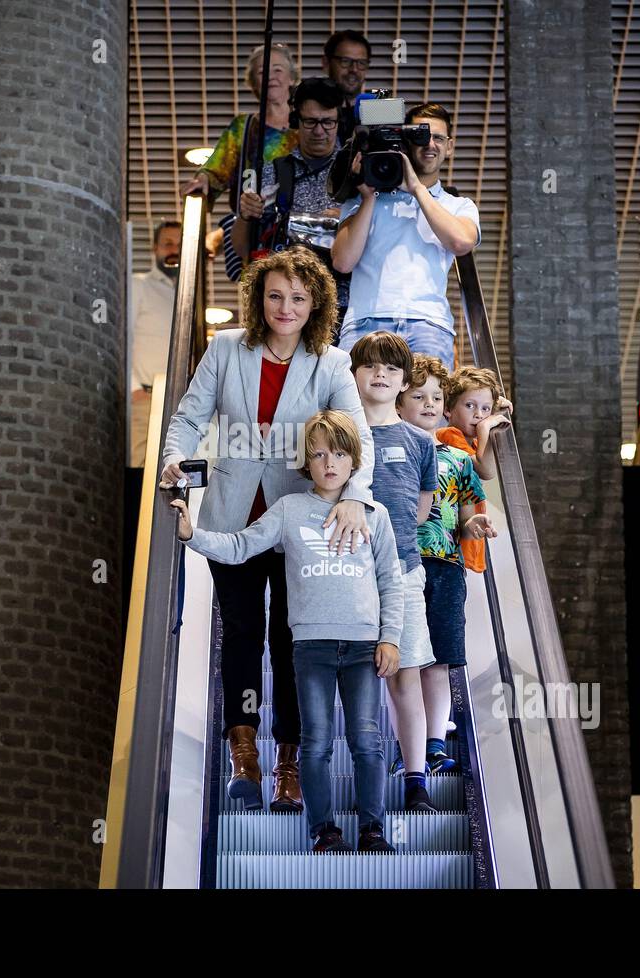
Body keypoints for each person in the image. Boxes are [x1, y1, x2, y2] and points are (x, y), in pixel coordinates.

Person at [159, 248, 375, 814]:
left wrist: (353, 497)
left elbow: (361, 440)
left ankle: (289, 764)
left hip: (302, 522)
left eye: (298, 298)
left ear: (315, 305)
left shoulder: (331, 363)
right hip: (232, 516)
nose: (285, 307)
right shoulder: (227, 348)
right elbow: (188, 417)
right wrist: (174, 459)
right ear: (259, 297)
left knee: (291, 641)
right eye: (275, 295)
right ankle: (244, 754)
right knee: (243, 635)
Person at [171, 410, 401, 853]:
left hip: (362, 646)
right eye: (317, 455)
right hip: (310, 647)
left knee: (367, 742)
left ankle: (374, 829)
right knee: (315, 743)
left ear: (354, 460)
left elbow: (391, 580)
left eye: (337, 454)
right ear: (305, 464)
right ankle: (323, 830)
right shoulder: (289, 509)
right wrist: (191, 535)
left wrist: (390, 636)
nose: (328, 463)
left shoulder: (375, 516)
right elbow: (240, 546)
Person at [348, 331, 441, 813]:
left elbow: (422, 511)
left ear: (404, 381)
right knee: (358, 677)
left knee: (405, 675)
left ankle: (415, 778)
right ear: (355, 373)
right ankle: (362, 783)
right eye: (370, 366)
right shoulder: (340, 432)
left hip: (404, 571)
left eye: (391, 369)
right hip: (346, 575)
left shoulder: (421, 441)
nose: (380, 374)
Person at [397, 354, 495, 769]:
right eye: (419, 396)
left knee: (439, 659)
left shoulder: (456, 458)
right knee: (402, 661)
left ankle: (435, 742)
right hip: (400, 567)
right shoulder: (388, 450)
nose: (430, 404)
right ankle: (409, 748)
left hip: (446, 566)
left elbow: (468, 511)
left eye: (437, 397)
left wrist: (473, 528)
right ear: (399, 403)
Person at [331, 101, 482, 368]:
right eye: (420, 136)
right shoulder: (365, 198)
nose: (430, 144)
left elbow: (461, 242)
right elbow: (343, 261)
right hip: (365, 321)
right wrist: (367, 196)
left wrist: (416, 189)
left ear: (449, 145)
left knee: (427, 409)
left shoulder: (458, 205)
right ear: (405, 141)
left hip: (429, 324)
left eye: (437, 137)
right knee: (352, 409)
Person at [230, 76, 351, 326]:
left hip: (345, 308)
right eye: (310, 122)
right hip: (284, 311)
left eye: (328, 122)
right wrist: (244, 215)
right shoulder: (270, 173)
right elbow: (242, 249)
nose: (319, 131)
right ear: (295, 121)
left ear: (339, 122)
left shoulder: (357, 171)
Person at [181, 43, 300, 201]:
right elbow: (217, 169)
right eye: (262, 72)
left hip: (299, 219)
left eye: (278, 70)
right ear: (253, 82)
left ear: (291, 78)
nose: (270, 76)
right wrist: (203, 179)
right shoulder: (243, 126)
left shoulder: (308, 123)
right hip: (250, 219)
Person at [439, 366, 512, 573]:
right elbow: (485, 470)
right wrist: (486, 427)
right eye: (470, 405)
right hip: (454, 536)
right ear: (448, 409)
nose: (479, 415)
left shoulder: (471, 441)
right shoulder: (449, 435)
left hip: (468, 531)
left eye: (486, 409)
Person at [128, 220, 182, 469]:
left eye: (180, 244)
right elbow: (123, 337)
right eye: (167, 244)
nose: (174, 250)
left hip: (181, 404)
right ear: (155, 248)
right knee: (142, 470)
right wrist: (133, 389)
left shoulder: (187, 295)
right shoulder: (139, 285)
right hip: (146, 399)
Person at [321, 30, 371, 115]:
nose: (354, 69)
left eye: (361, 63)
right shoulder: (309, 113)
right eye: (345, 61)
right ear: (326, 63)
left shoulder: (378, 115)